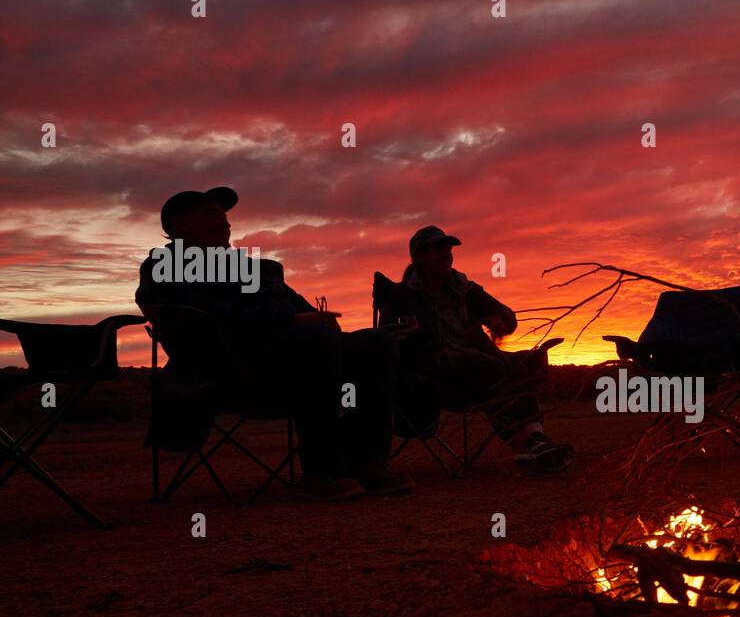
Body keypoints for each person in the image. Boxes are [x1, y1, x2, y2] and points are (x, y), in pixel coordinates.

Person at [136, 186, 413, 500]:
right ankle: (323, 471)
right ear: (179, 224)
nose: (225, 224)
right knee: (316, 338)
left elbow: (300, 307)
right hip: (231, 365)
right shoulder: (166, 266)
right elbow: (207, 315)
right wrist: (290, 322)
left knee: (377, 342)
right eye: (213, 215)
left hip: (297, 357)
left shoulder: (248, 268)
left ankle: (367, 465)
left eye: (226, 218)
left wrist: (315, 319)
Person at [378, 225, 573, 474]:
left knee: (528, 361)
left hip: (480, 368)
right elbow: (385, 336)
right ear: (419, 256)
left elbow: (505, 318)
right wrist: (406, 338)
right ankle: (530, 441)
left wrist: (501, 320)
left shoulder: (465, 289)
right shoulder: (402, 296)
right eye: (438, 249)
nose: (446, 254)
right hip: (436, 374)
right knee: (496, 369)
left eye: (448, 248)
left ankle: (531, 441)